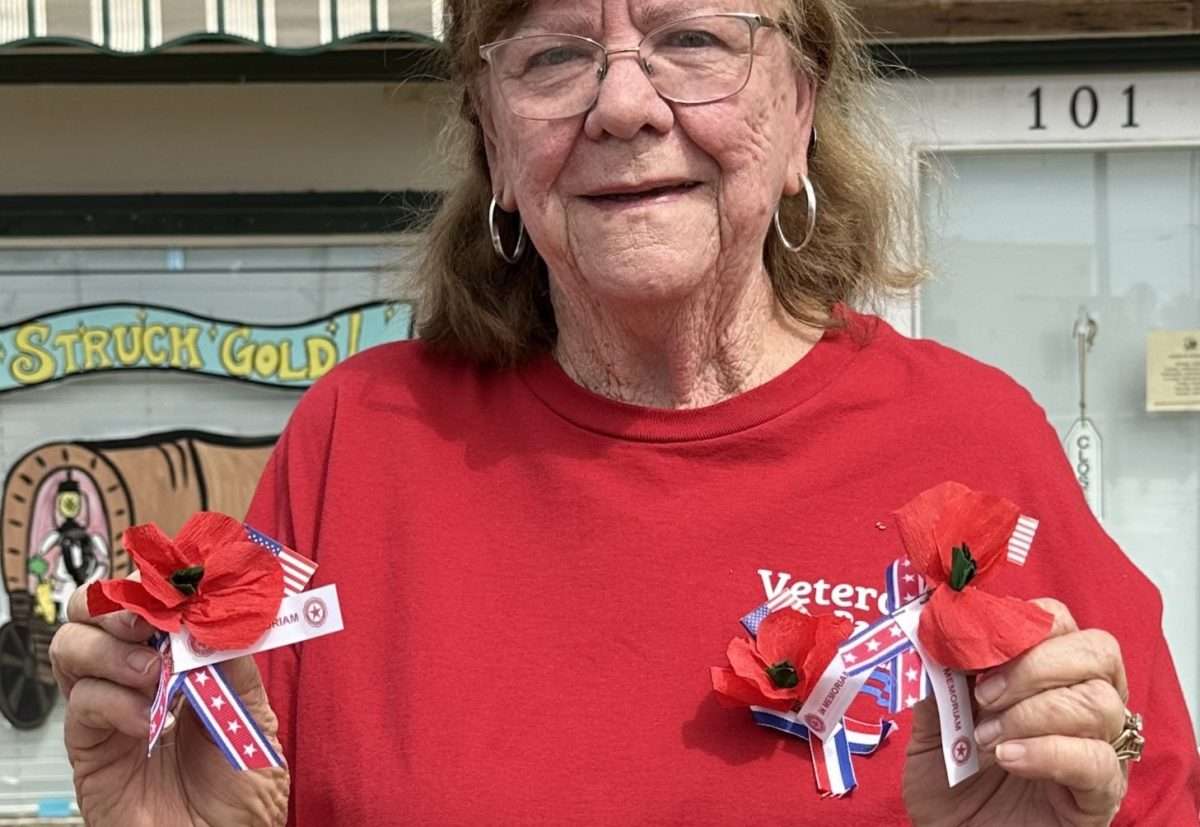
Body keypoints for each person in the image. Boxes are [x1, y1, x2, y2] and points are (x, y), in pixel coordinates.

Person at [49, 0, 1200, 824]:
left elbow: (1143, 786)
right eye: (553, 57)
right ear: (495, 139)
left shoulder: (972, 440)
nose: (624, 105)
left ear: (798, 104)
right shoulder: (359, 442)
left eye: (692, 40)